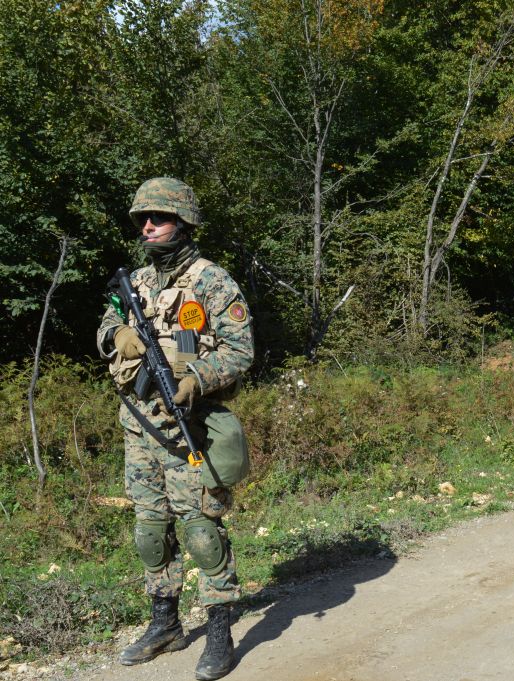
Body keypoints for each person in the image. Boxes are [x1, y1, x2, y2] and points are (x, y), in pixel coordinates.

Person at [97, 177, 253, 681]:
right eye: (142, 218)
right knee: (150, 528)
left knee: (201, 528)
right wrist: (117, 333)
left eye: (158, 217)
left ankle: (219, 632)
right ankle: (164, 624)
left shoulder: (212, 282)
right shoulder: (136, 281)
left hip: (189, 423)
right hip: (139, 424)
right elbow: (104, 327)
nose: (148, 225)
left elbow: (240, 350)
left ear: (183, 222)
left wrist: (197, 380)